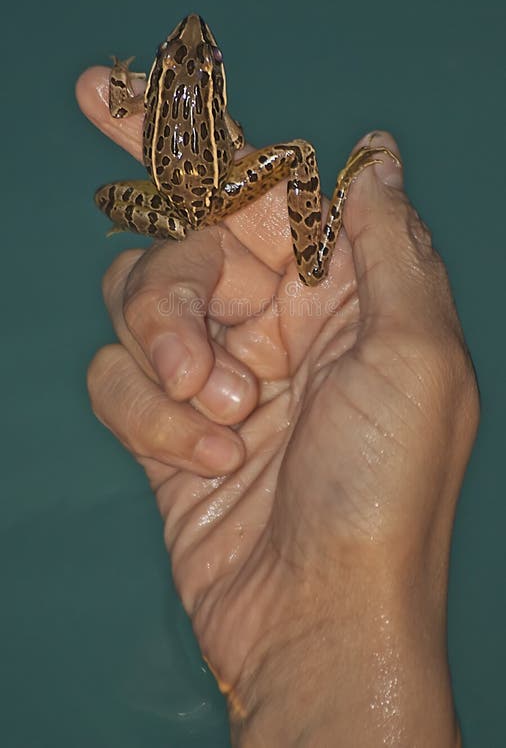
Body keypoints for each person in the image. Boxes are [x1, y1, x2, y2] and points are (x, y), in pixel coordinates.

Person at [77, 66, 479, 747]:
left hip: (178, 201)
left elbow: (117, 174)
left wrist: (313, 645)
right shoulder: (218, 118)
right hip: (219, 189)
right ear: (212, 83)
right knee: (294, 158)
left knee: (124, 214)